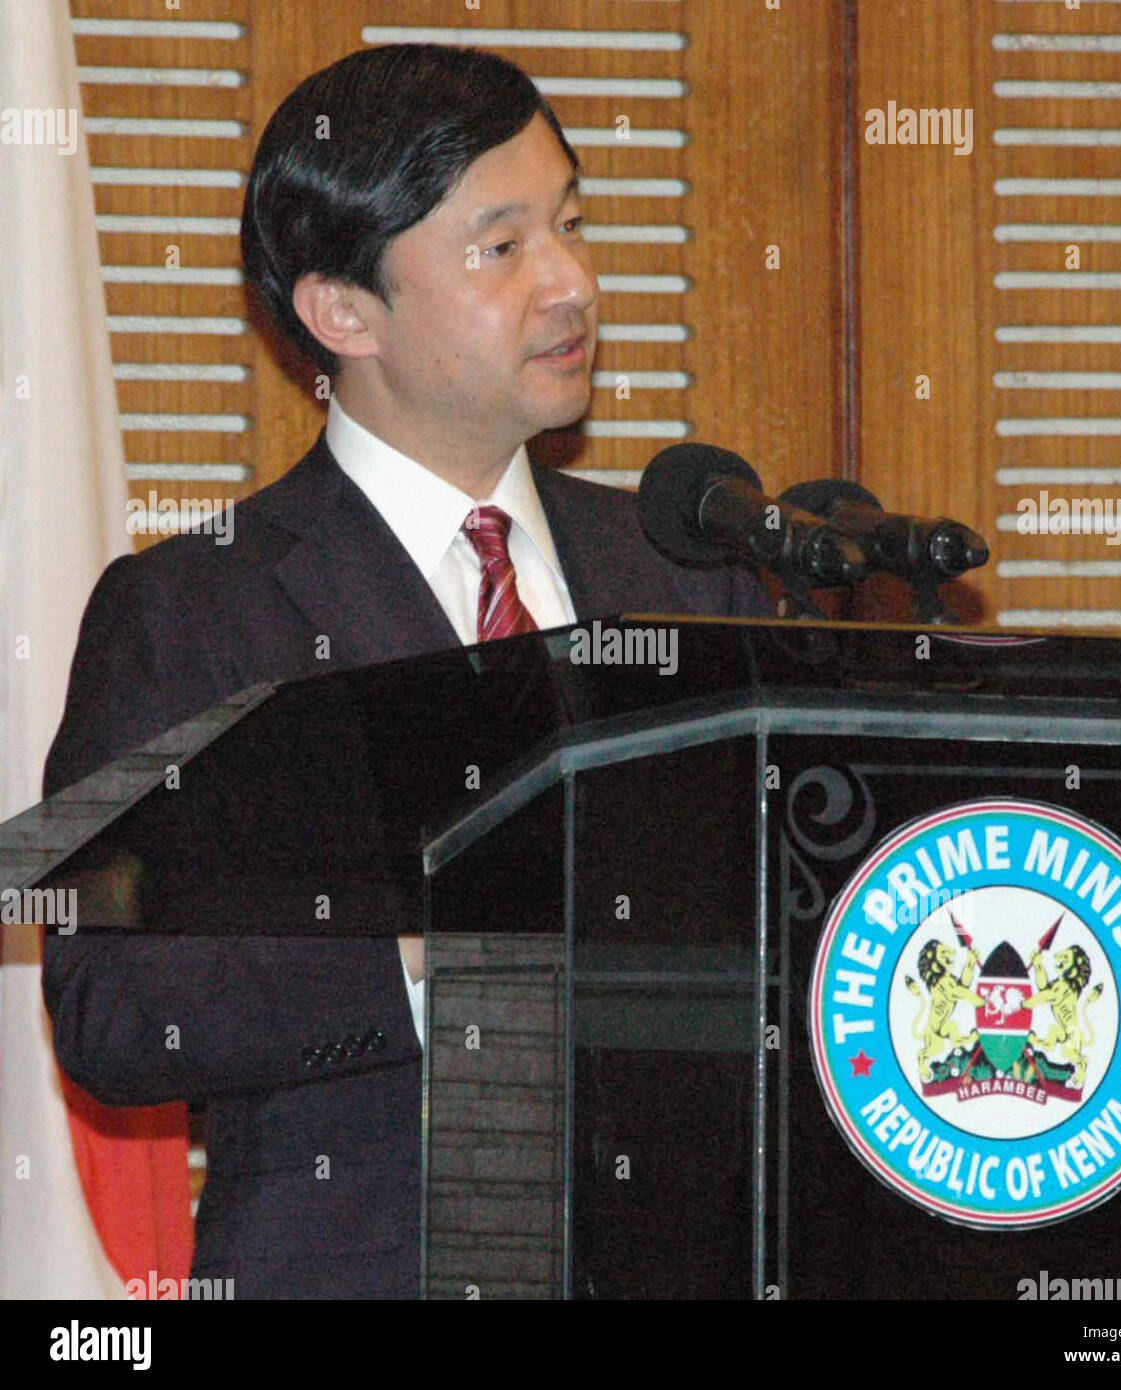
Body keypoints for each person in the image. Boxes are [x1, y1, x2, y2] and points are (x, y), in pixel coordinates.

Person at [42, 43, 771, 1299]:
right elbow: (115, 1006)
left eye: (572, 223)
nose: (573, 284)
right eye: (502, 246)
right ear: (342, 311)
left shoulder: (685, 574)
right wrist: (436, 944)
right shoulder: (201, 608)